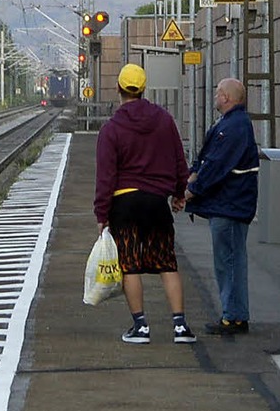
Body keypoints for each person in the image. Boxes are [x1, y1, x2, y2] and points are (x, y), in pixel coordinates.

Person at [94, 63, 196, 345]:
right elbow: (179, 161)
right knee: (166, 262)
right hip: (155, 202)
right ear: (143, 90)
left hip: (124, 203)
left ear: (119, 89)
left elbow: (105, 176)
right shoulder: (164, 120)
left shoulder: (112, 128)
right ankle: (180, 326)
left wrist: (101, 214)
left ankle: (140, 327)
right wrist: (178, 193)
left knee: (130, 264)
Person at [185, 78, 259, 335]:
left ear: (227, 97)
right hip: (229, 204)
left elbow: (216, 165)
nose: (215, 97)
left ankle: (234, 316)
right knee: (229, 260)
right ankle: (234, 313)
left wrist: (191, 190)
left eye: (218, 93)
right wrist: (193, 174)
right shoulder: (232, 124)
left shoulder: (234, 127)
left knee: (228, 262)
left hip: (230, 205)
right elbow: (209, 159)